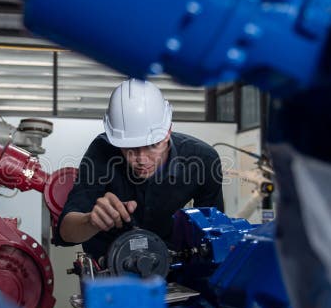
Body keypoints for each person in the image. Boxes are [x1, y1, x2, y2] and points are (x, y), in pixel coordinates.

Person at [54, 78, 224, 260]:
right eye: (130, 148)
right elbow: (67, 232)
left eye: (152, 145)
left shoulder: (203, 159)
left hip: (170, 264)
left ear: (167, 131)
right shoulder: (102, 151)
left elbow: (213, 235)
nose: (141, 160)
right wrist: (92, 221)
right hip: (109, 265)